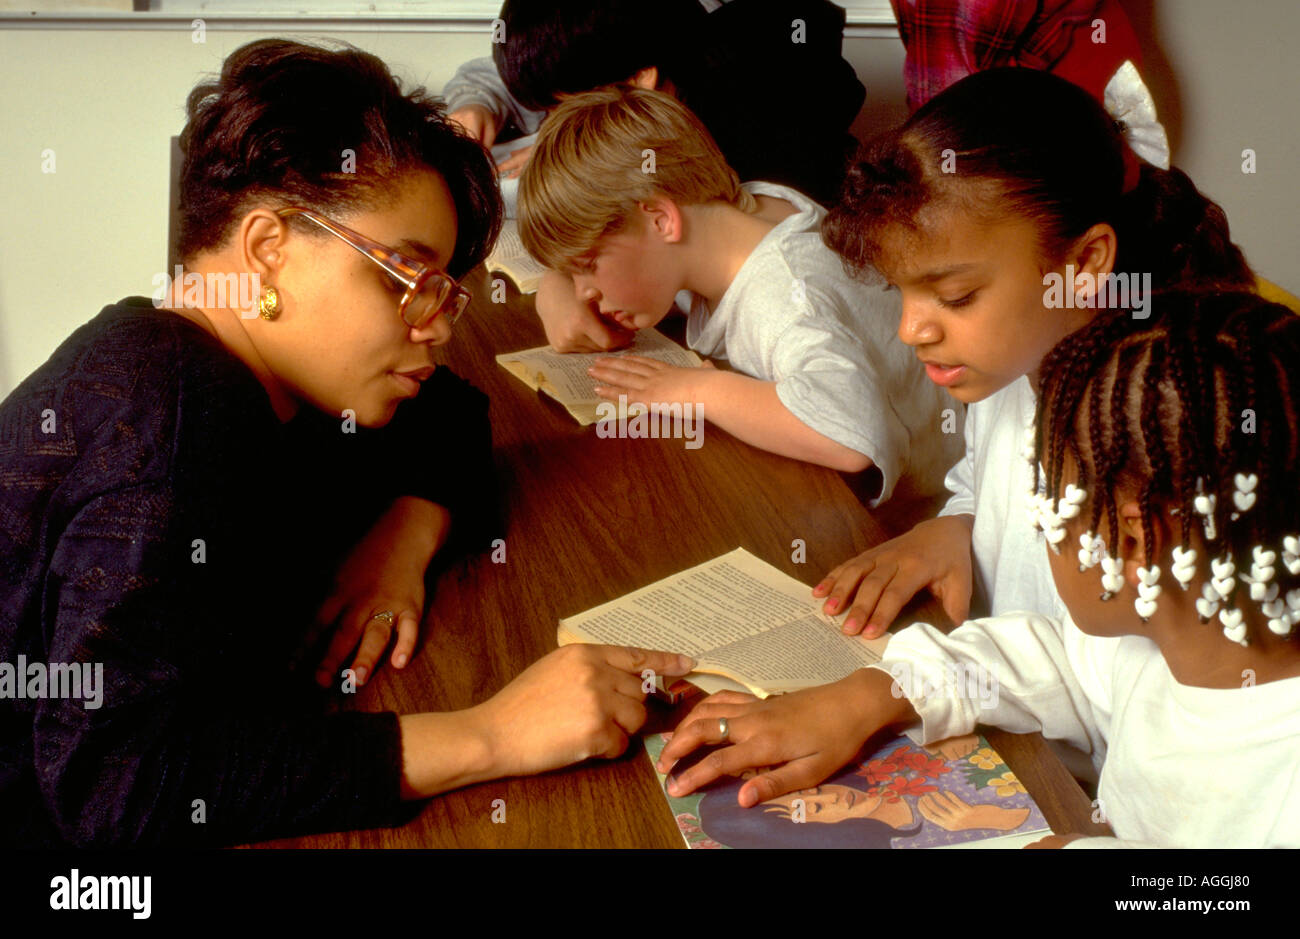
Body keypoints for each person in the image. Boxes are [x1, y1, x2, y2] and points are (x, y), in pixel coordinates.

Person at [0, 38, 692, 848]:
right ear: (267, 249)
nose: (433, 328)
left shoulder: (248, 368)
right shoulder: (170, 419)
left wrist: (404, 535)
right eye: (404, 278)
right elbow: (116, 786)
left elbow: (453, 413)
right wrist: (495, 734)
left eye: (441, 293)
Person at [658, 289, 1300, 848]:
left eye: (1048, 501)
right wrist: (875, 693)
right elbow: (1056, 659)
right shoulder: (1161, 646)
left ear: (1134, 539)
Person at [809, 67, 1254, 639]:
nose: (910, 329)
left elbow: (1112, 666)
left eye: (956, 296)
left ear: (1086, 262)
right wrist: (955, 527)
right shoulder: (1010, 363)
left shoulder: (1153, 438)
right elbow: (981, 476)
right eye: (901, 290)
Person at [517, 86, 961, 502]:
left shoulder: (786, 296)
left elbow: (850, 437)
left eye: (588, 267)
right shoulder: (737, 215)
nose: (586, 293)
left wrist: (694, 390)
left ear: (659, 219)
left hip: (916, 512)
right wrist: (555, 288)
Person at [445, 0, 865, 205]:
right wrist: (476, 103)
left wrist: (584, 152)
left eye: (564, 111)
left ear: (638, 78)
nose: (552, 125)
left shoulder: (752, 129)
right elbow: (501, 74)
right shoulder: (624, 41)